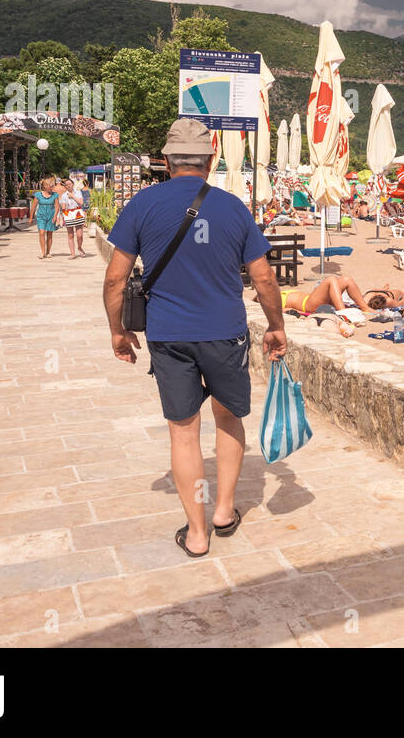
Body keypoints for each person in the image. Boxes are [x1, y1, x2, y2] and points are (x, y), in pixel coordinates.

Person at [103, 118, 286, 559]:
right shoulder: (232, 207)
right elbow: (263, 279)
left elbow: (115, 280)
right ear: (211, 159)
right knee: (228, 419)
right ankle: (224, 510)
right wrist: (277, 325)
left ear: (166, 162)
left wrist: (118, 331)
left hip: (169, 336)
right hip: (224, 333)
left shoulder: (142, 204)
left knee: (183, 433)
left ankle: (198, 533)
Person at [281, 274, 382, 313]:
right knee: (331, 280)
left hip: (314, 299)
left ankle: (365, 307)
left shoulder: (273, 294)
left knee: (346, 279)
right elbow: (276, 311)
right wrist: (295, 311)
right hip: (307, 305)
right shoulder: (269, 301)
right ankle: (342, 312)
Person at [56, 177, 88, 258]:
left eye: (70, 184)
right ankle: (73, 253)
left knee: (79, 235)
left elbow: (81, 203)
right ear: (65, 186)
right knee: (70, 235)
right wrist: (63, 217)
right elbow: (63, 207)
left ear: (73, 184)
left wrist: (73, 196)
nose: (69, 186)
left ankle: (80, 247)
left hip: (77, 213)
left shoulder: (78, 192)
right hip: (68, 214)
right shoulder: (64, 195)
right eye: (67, 185)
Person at [30, 177, 59, 259]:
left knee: (49, 234)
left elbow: (57, 207)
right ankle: (43, 252)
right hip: (41, 216)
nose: (52, 187)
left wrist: (55, 216)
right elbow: (33, 207)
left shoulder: (55, 195)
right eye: (50, 186)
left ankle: (48, 252)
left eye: (52, 186)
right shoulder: (38, 195)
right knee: (42, 233)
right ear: (45, 186)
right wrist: (31, 217)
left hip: (51, 216)